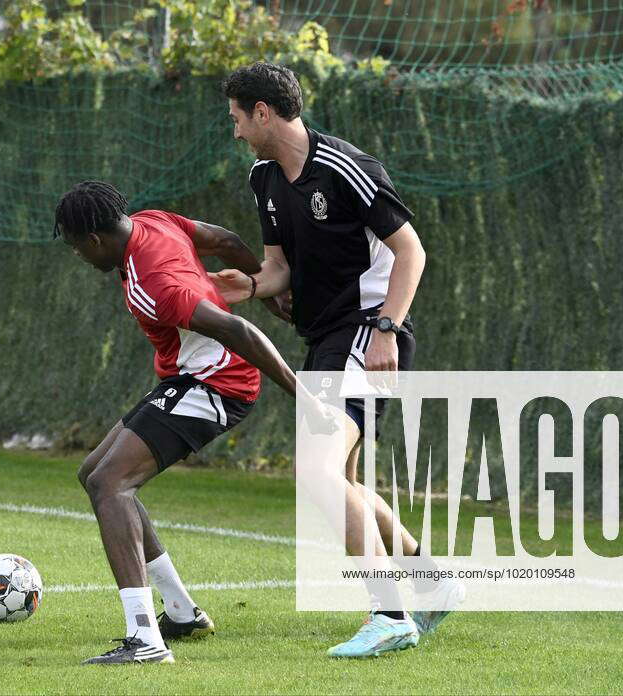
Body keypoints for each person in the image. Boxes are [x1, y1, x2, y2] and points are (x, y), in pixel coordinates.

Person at [215, 62, 464, 658]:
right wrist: (250, 286)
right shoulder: (263, 178)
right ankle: (431, 582)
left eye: (237, 119)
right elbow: (279, 266)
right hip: (327, 339)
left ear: (263, 113)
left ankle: (389, 614)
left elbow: (411, 251)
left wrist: (386, 329)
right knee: (341, 479)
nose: (236, 131)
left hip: (365, 332)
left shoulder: (346, 167)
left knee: (316, 470)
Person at [54, 180, 339, 665]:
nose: (79, 255)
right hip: (189, 378)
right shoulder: (153, 220)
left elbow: (236, 329)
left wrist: (306, 399)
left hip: (217, 384)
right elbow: (226, 240)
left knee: (110, 484)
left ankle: (144, 639)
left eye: (76, 246)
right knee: (94, 474)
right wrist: (266, 289)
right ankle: (182, 613)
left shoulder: (154, 285)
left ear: (95, 239)